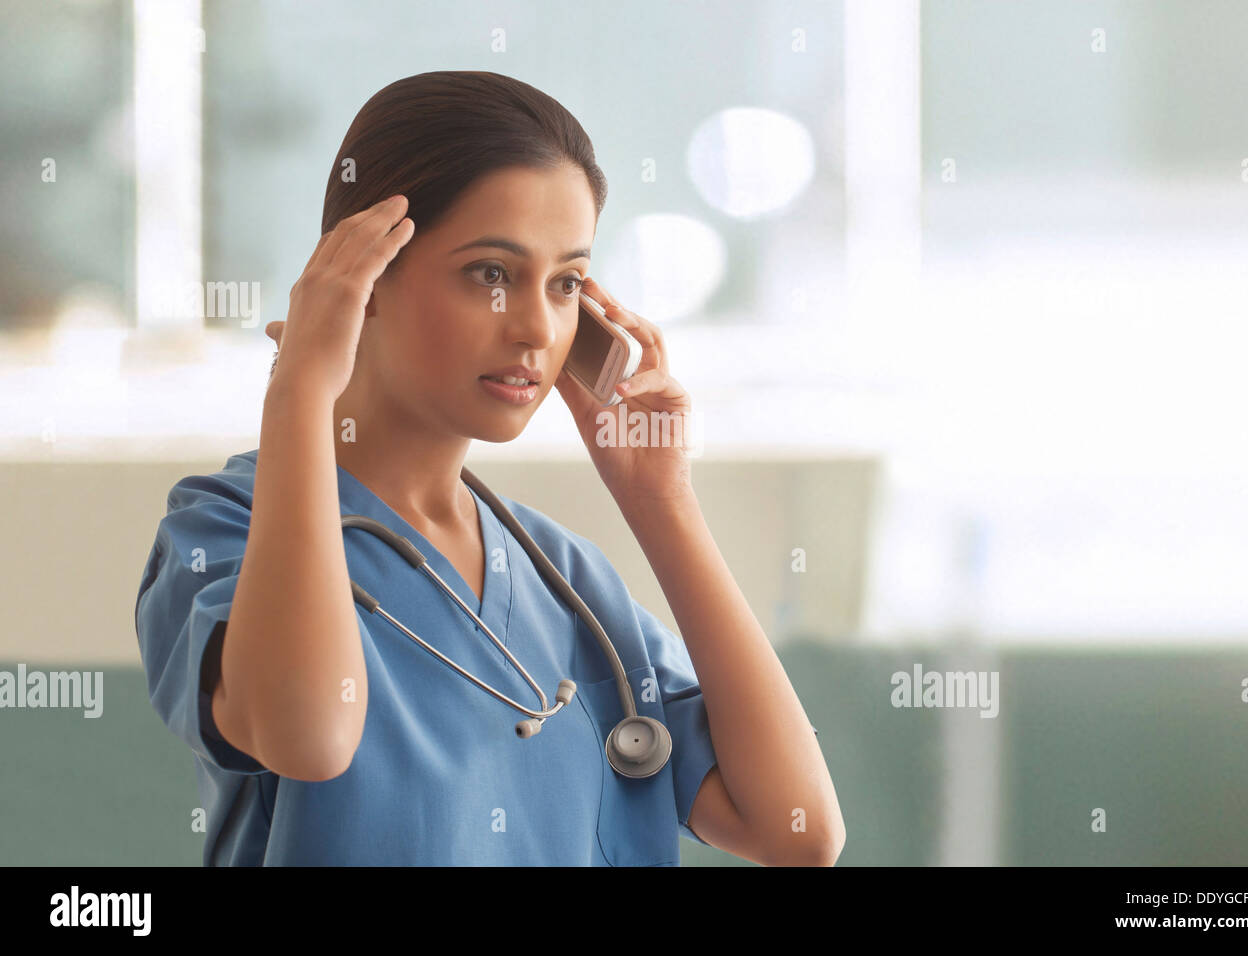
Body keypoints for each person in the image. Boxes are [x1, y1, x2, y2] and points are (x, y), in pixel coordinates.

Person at [134, 70, 844, 866]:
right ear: (361, 275)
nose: (537, 327)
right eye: (492, 275)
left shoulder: (566, 583)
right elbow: (311, 737)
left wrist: (663, 503)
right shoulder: (223, 529)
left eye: (567, 282)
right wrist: (301, 389)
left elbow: (800, 830)